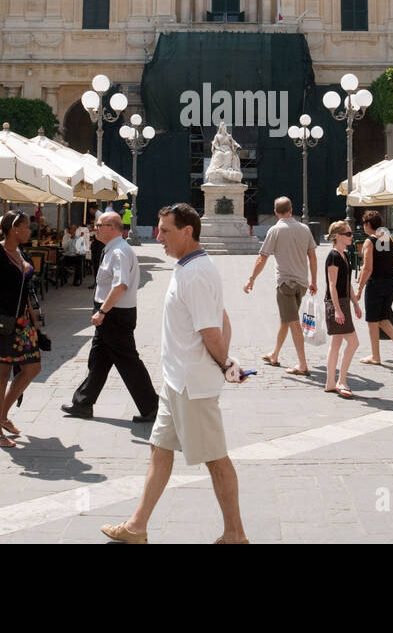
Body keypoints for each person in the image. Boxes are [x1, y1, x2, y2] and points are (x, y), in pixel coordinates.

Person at [101, 203, 248, 544]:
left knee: (216, 459)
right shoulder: (189, 267)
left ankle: (235, 534)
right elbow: (222, 315)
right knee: (160, 448)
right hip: (175, 380)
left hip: (191, 384)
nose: (158, 236)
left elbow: (212, 331)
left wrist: (226, 364)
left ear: (187, 232)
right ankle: (137, 527)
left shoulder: (195, 273)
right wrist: (226, 360)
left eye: (165, 230)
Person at [63, 211, 159, 422]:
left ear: (112, 228)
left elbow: (120, 285)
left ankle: (152, 406)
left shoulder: (118, 252)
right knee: (98, 359)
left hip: (114, 314)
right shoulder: (114, 249)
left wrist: (103, 311)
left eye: (99, 225)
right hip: (112, 312)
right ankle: (83, 403)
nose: (95, 228)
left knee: (127, 361)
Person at [0, 212, 41, 447]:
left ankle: (1, 415)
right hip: (1, 321)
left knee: (33, 367)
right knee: (2, 374)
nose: (29, 231)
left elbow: (25, 289)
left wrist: (34, 318)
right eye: (26, 227)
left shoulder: (20, 251)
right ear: (14, 228)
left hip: (22, 323)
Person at [245, 196, 317, 376]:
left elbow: (262, 257)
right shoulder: (305, 229)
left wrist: (252, 278)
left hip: (285, 284)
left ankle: (302, 364)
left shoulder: (275, 230)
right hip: (301, 283)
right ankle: (274, 355)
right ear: (291, 209)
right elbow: (313, 257)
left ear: (276, 212)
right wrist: (314, 281)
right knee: (286, 320)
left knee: (293, 323)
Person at [355, 210, 393, 365]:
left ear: (367, 224)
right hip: (390, 282)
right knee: (382, 317)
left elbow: (368, 268)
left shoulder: (369, 242)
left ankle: (375, 356)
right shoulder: (387, 239)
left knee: (373, 320)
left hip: (376, 283)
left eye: (364, 224)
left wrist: (359, 288)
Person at [322, 220, 360, 398]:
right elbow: (332, 285)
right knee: (353, 343)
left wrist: (356, 304)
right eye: (348, 234)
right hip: (337, 303)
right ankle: (341, 380)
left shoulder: (343, 255)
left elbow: (346, 284)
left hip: (343, 302)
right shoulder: (334, 256)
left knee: (336, 344)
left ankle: (330, 382)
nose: (351, 236)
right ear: (338, 236)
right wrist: (337, 309)